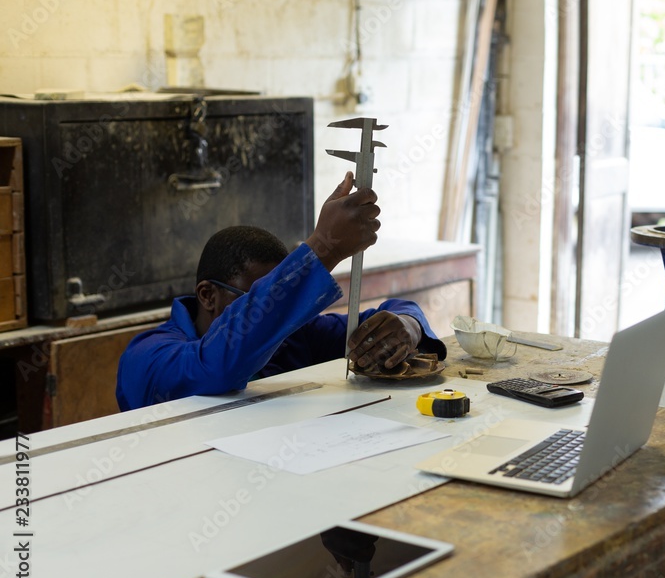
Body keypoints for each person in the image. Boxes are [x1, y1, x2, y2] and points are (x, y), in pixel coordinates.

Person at [116, 172, 445, 411]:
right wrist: (322, 251)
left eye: (276, 292)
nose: (273, 307)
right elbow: (218, 367)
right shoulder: (147, 358)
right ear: (207, 296)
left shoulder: (292, 338)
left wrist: (406, 326)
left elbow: (395, 311)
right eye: (258, 297)